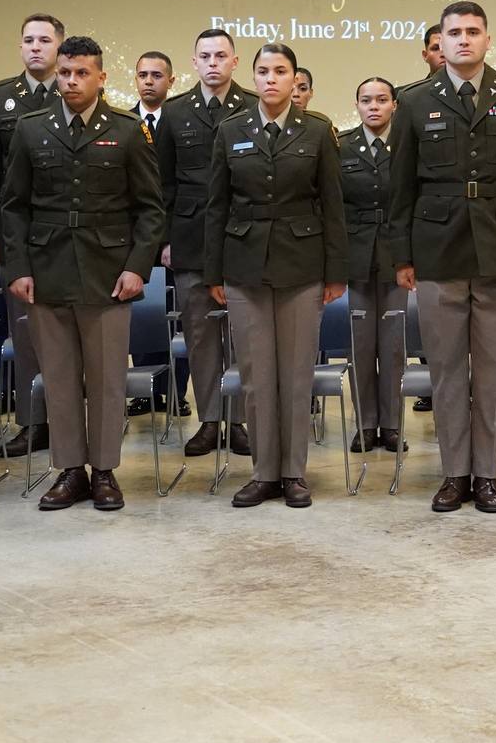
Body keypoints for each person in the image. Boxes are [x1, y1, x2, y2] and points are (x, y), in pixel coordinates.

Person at [388, 1, 496, 514]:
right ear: (440, 39)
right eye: (453, 32)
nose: (463, 40)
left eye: (472, 31)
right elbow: (400, 187)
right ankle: (454, 473)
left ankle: (487, 474)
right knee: (446, 371)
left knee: (493, 369)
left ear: (487, 39)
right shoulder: (413, 101)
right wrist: (402, 255)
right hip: (437, 250)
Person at [1, 36, 164, 512]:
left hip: (108, 275)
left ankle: (106, 471)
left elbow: (151, 210)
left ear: (100, 77)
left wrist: (138, 268)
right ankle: (70, 471)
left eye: (81, 74)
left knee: (108, 379)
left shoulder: (128, 131)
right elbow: (13, 206)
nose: (71, 81)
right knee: (59, 378)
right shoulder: (32, 130)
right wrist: (18, 268)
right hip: (47, 272)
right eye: (65, 73)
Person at [204, 44, 347, 507]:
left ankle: (294, 473)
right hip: (244, 266)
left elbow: (333, 205)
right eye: (263, 71)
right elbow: (216, 207)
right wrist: (215, 272)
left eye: (280, 71)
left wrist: (335, 270)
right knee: (256, 375)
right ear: (254, 77)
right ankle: (264, 472)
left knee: (296, 373)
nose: (271, 79)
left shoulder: (319, 130)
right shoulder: (231, 130)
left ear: (294, 80)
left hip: (303, 266)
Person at [0, 14, 64, 460]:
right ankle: (31, 422)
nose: (35, 48)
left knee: (68, 334)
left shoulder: (77, 92)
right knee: (24, 334)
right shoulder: (0, 98)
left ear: (60, 47)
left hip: (68, 235)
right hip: (17, 235)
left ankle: (70, 420)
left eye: (45, 40)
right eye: (28, 40)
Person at [159, 29, 259, 457]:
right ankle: (209, 419)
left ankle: (238, 420)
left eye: (221, 55)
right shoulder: (175, 111)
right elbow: (160, 183)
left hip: (243, 238)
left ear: (235, 62)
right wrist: (163, 239)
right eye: (205, 56)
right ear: (194, 63)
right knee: (200, 335)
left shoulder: (255, 107)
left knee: (241, 333)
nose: (213, 62)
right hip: (190, 237)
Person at [340, 77, 404, 454]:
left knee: (394, 344)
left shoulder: (407, 145)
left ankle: (392, 425)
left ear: (394, 104)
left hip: (397, 256)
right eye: (366, 100)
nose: (374, 106)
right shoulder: (341, 146)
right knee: (360, 346)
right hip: (357, 255)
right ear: (357, 105)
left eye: (382, 100)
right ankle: (365, 424)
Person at [127, 49, 179, 419]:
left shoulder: (180, 122)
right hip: (133, 238)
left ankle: (176, 392)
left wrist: (168, 239)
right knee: (144, 314)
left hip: (175, 238)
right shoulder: (122, 124)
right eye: (143, 75)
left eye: (156, 75)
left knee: (177, 316)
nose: (149, 81)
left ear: (171, 81)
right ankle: (145, 392)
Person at [411, 23, 445, 414]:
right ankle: (429, 384)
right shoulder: (413, 100)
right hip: (430, 228)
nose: (442, 52)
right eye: (435, 47)